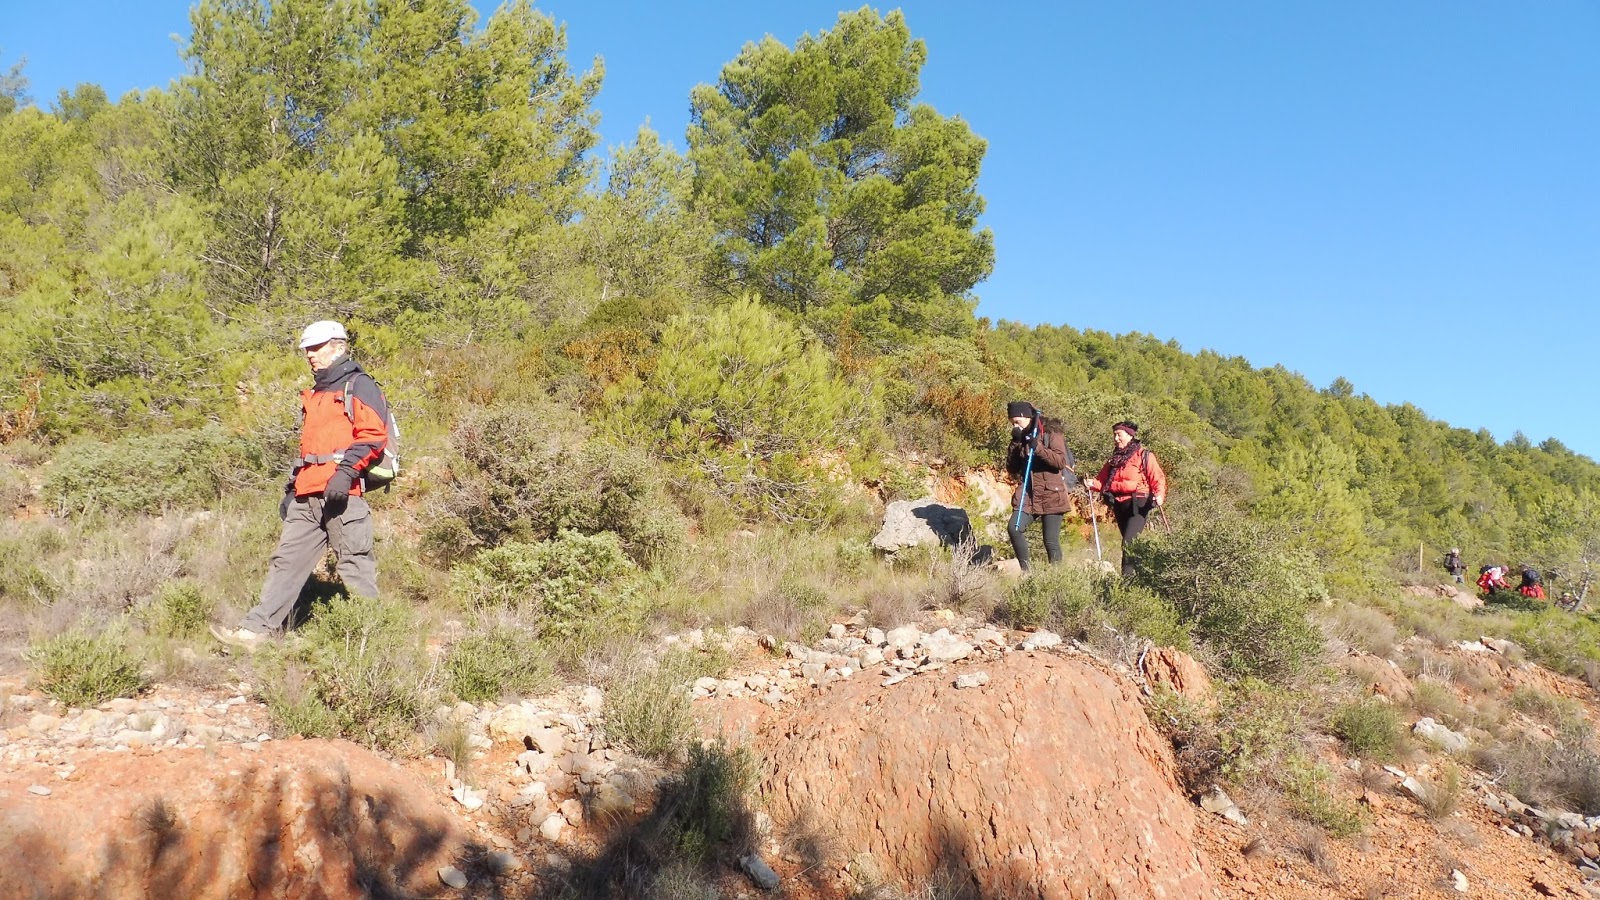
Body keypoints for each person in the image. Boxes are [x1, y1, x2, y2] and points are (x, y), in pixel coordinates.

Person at [211, 320, 391, 650]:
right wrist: (293, 487)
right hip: (307, 493)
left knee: (354, 565)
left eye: (316, 347)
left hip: (343, 494)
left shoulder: (358, 385)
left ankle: (373, 642)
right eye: (307, 349)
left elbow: (373, 436)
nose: (310, 354)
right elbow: (310, 447)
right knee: (287, 563)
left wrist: (346, 473)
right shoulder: (317, 393)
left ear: (338, 346)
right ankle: (254, 632)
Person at [1082, 421, 1167, 577]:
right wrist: (1091, 483)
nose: (1115, 438)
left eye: (1119, 435)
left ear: (1129, 435)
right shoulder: (1113, 460)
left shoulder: (1144, 455)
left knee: (1128, 543)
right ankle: (1141, 575)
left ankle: (1127, 581)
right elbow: (1102, 481)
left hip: (1138, 504)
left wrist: (1159, 495)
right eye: (1114, 435)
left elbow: (1157, 478)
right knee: (1131, 544)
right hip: (1119, 505)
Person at [1004, 402, 1075, 572]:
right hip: (1028, 494)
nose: (1015, 425)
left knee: (1050, 540)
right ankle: (1026, 573)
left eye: (1016, 421)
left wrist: (1038, 448)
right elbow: (1012, 468)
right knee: (1014, 528)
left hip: (1052, 493)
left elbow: (1059, 462)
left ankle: (1056, 579)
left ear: (1026, 417)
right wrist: (1016, 442)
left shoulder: (1051, 433)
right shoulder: (1020, 437)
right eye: (1012, 423)